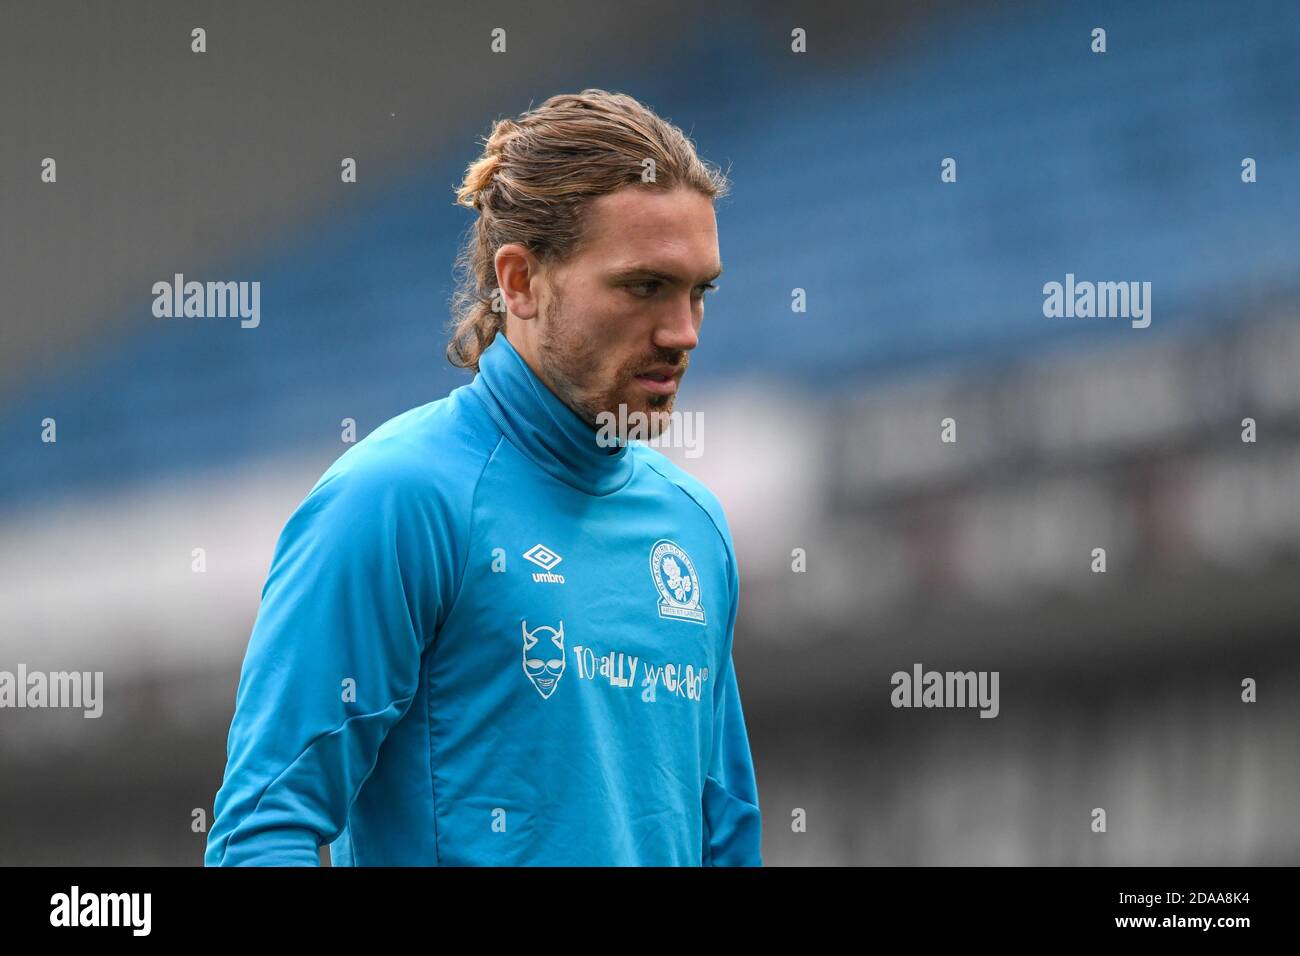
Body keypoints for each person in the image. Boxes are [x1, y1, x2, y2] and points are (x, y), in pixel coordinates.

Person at [204, 89, 761, 866]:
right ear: (521, 281)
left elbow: (725, 837)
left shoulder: (694, 529)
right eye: (644, 287)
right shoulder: (397, 500)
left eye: (699, 292)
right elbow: (262, 832)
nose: (683, 333)